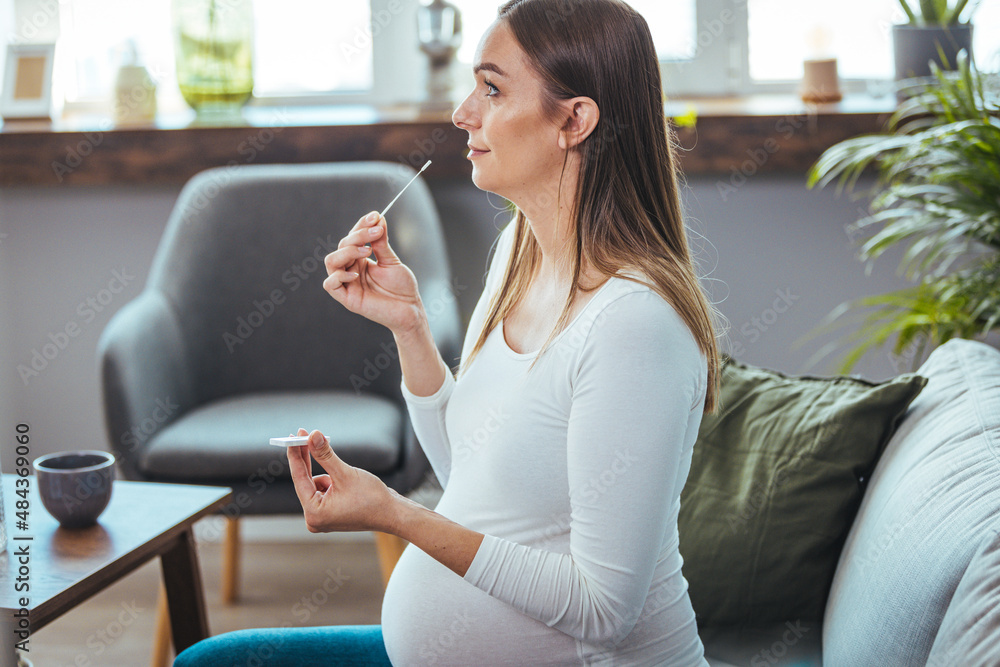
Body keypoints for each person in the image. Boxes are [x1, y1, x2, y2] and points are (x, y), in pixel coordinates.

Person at [174, 0, 722, 664]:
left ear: (574, 120)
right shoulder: (520, 252)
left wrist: (396, 513)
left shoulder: (635, 325)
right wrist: (409, 329)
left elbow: (602, 608)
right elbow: (474, 479)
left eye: (492, 88)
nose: (463, 112)